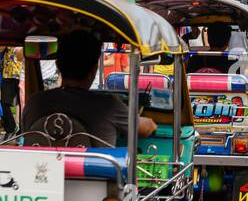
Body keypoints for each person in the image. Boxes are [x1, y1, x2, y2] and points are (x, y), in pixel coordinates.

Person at [22, 29, 157, 147]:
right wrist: (151, 123)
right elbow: (144, 128)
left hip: (38, 173)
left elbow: (26, 133)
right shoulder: (108, 105)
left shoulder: (35, 102)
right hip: (96, 176)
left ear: (58, 65)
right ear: (94, 69)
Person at [0, 46, 24, 137]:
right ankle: (11, 128)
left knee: (23, 104)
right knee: (3, 102)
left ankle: (22, 132)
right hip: (8, 75)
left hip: (22, 75)